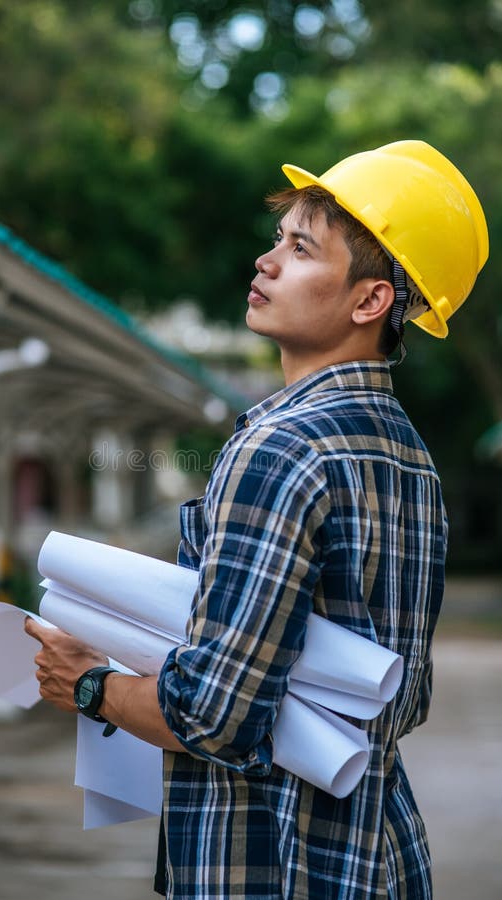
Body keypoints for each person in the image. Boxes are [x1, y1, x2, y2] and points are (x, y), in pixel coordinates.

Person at [25, 140, 488, 899]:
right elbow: (401, 699)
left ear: (369, 301)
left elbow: (214, 714)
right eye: (277, 240)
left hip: (269, 866)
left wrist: (88, 683)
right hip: (379, 858)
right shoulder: (411, 459)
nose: (266, 262)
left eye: (300, 247)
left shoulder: (277, 449)